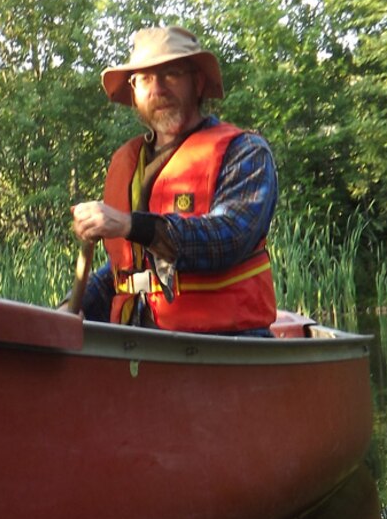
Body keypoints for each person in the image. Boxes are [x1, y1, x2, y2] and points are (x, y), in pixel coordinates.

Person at [70, 25, 279, 334]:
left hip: (227, 342)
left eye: (171, 74)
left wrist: (130, 225)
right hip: (140, 339)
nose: (157, 89)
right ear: (134, 91)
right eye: (144, 79)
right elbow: (129, 270)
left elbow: (229, 236)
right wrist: (73, 308)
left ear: (197, 81)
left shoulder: (245, 152)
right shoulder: (129, 161)